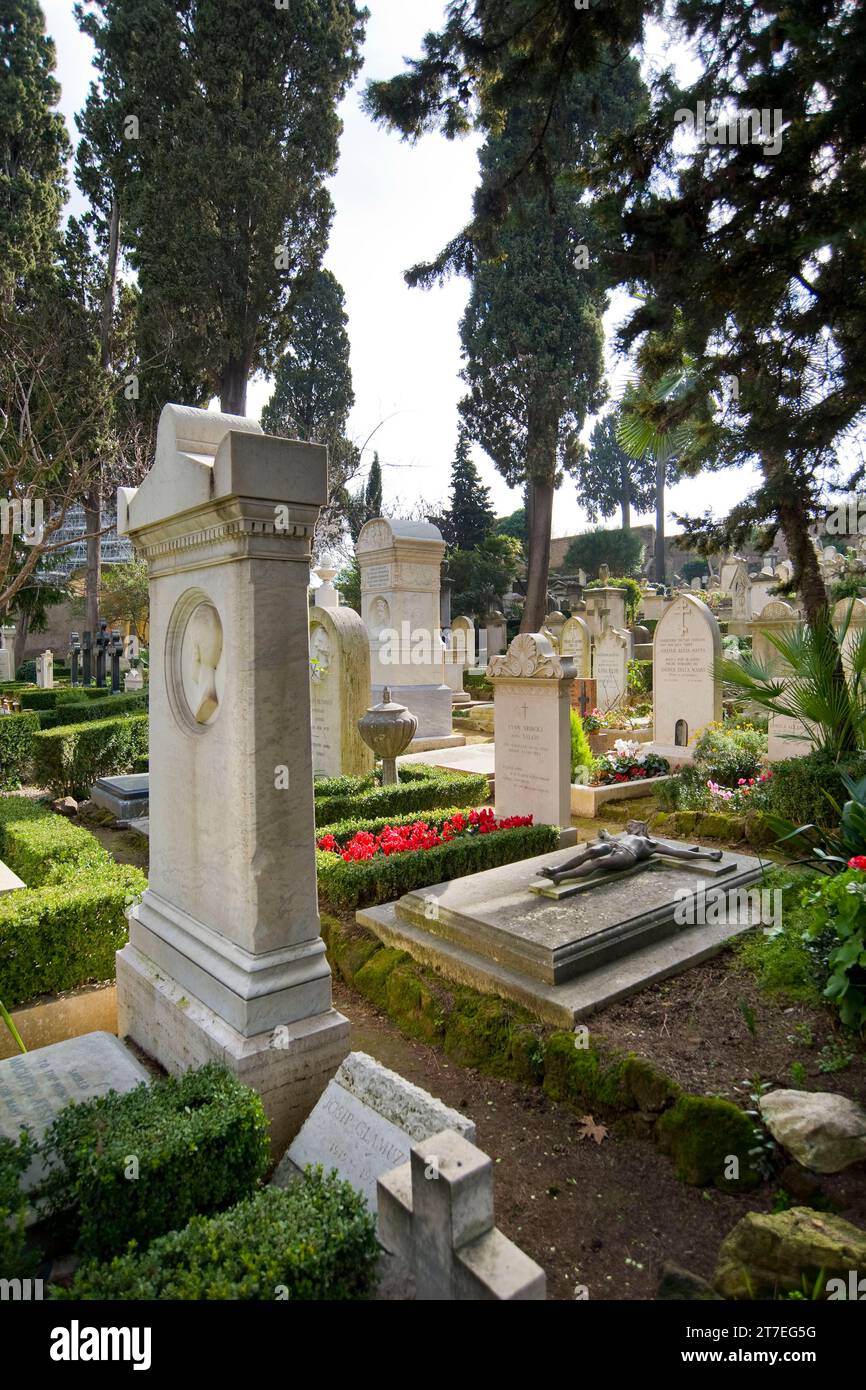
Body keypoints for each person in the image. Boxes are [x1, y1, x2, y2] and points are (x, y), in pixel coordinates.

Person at [539, 820, 722, 886]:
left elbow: (679, 853)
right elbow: (611, 839)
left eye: (631, 825)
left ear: (641, 827)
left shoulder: (651, 843)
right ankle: (556, 869)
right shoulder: (622, 838)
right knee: (591, 851)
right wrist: (605, 835)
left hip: (627, 856)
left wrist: (707, 855)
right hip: (615, 848)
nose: (628, 827)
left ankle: (561, 877)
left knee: (597, 864)